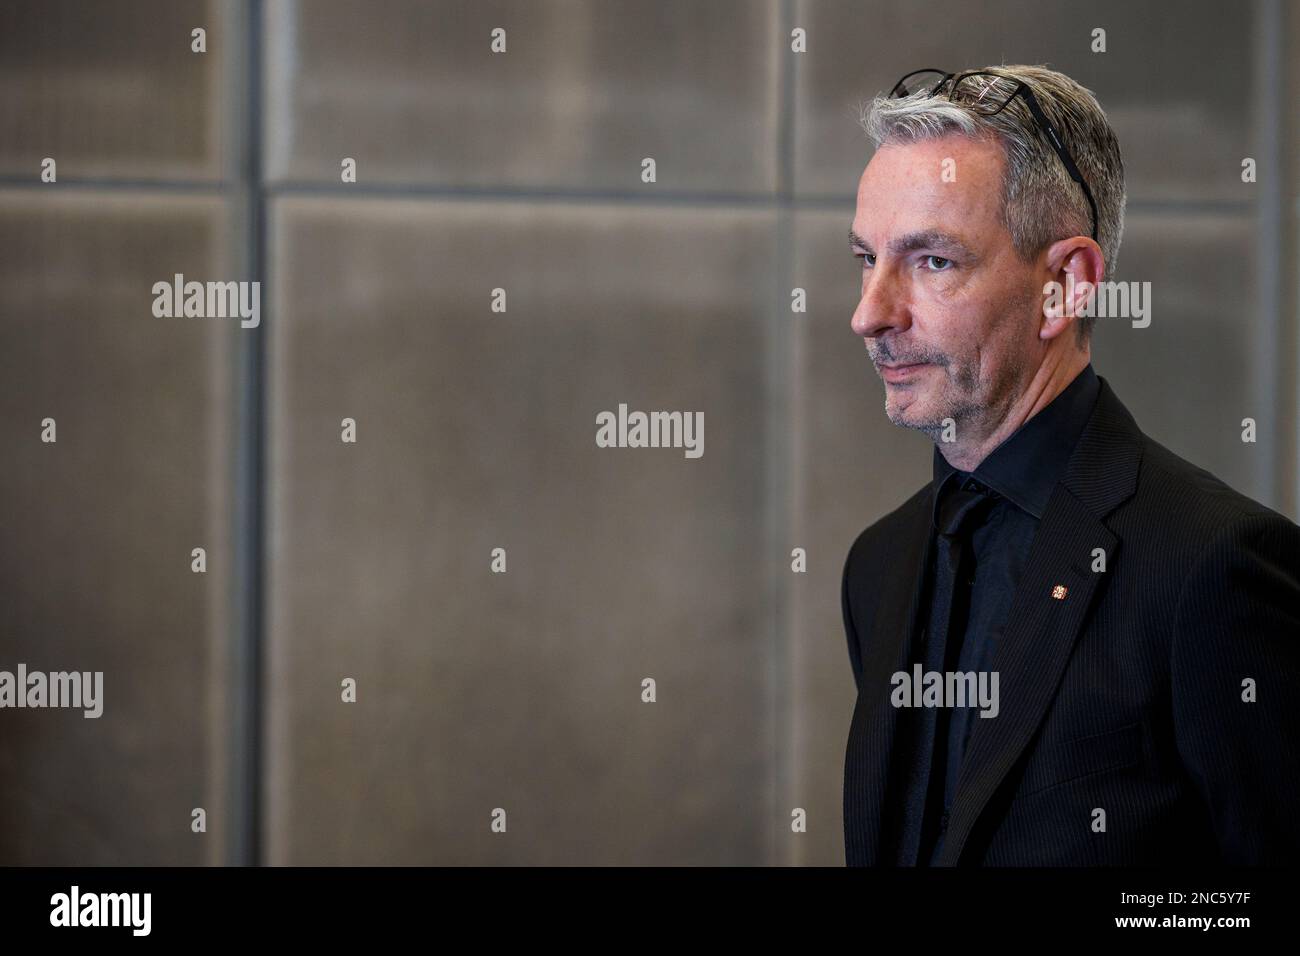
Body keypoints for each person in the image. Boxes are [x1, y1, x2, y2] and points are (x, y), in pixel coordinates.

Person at [841, 64, 1300, 865]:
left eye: (931, 261)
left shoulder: (1214, 566)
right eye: (865, 259)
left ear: (1065, 285)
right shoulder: (876, 565)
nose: (870, 313)